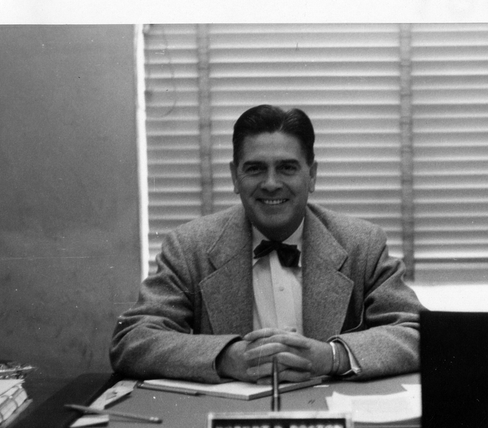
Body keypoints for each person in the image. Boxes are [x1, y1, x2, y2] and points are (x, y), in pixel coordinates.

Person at [110, 105, 423, 384]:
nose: (271, 183)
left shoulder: (362, 244)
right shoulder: (189, 247)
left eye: (287, 167)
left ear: (312, 176)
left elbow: (417, 332)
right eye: (255, 168)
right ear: (235, 177)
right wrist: (225, 357)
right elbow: (133, 339)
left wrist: (332, 356)